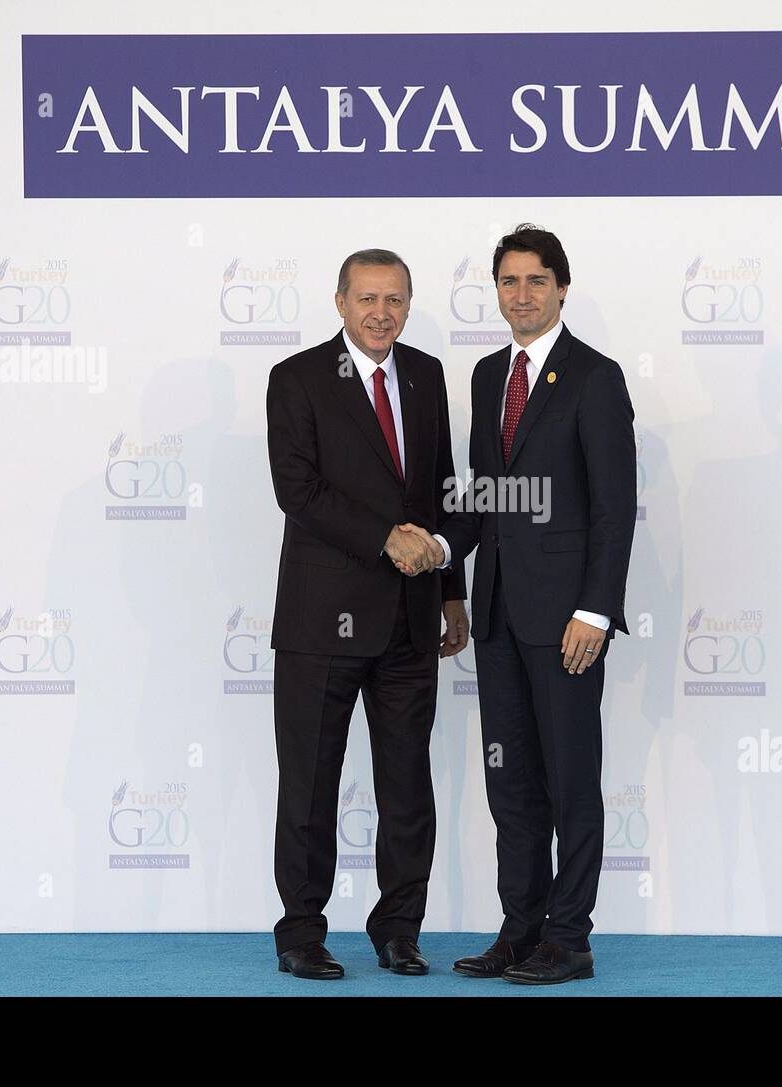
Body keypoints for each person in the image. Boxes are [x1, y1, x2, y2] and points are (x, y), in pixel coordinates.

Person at [420, 224, 636, 983]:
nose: (522, 295)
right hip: (502, 619)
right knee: (510, 780)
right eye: (509, 282)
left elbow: (614, 508)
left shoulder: (595, 377)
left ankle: (569, 937)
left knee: (571, 781)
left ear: (562, 288)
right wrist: (444, 555)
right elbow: (485, 496)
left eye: (536, 281)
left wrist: (596, 611)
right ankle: (521, 929)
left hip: (568, 624)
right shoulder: (486, 376)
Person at [265, 249, 469, 980]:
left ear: (409, 304)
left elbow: (442, 486)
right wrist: (384, 538)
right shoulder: (296, 379)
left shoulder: (424, 374)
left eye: (395, 299)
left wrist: (452, 590)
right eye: (367, 298)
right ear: (340, 302)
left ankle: (399, 929)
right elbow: (298, 488)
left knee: (407, 785)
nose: (381, 312)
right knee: (311, 783)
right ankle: (301, 933)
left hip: (412, 622)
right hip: (323, 622)